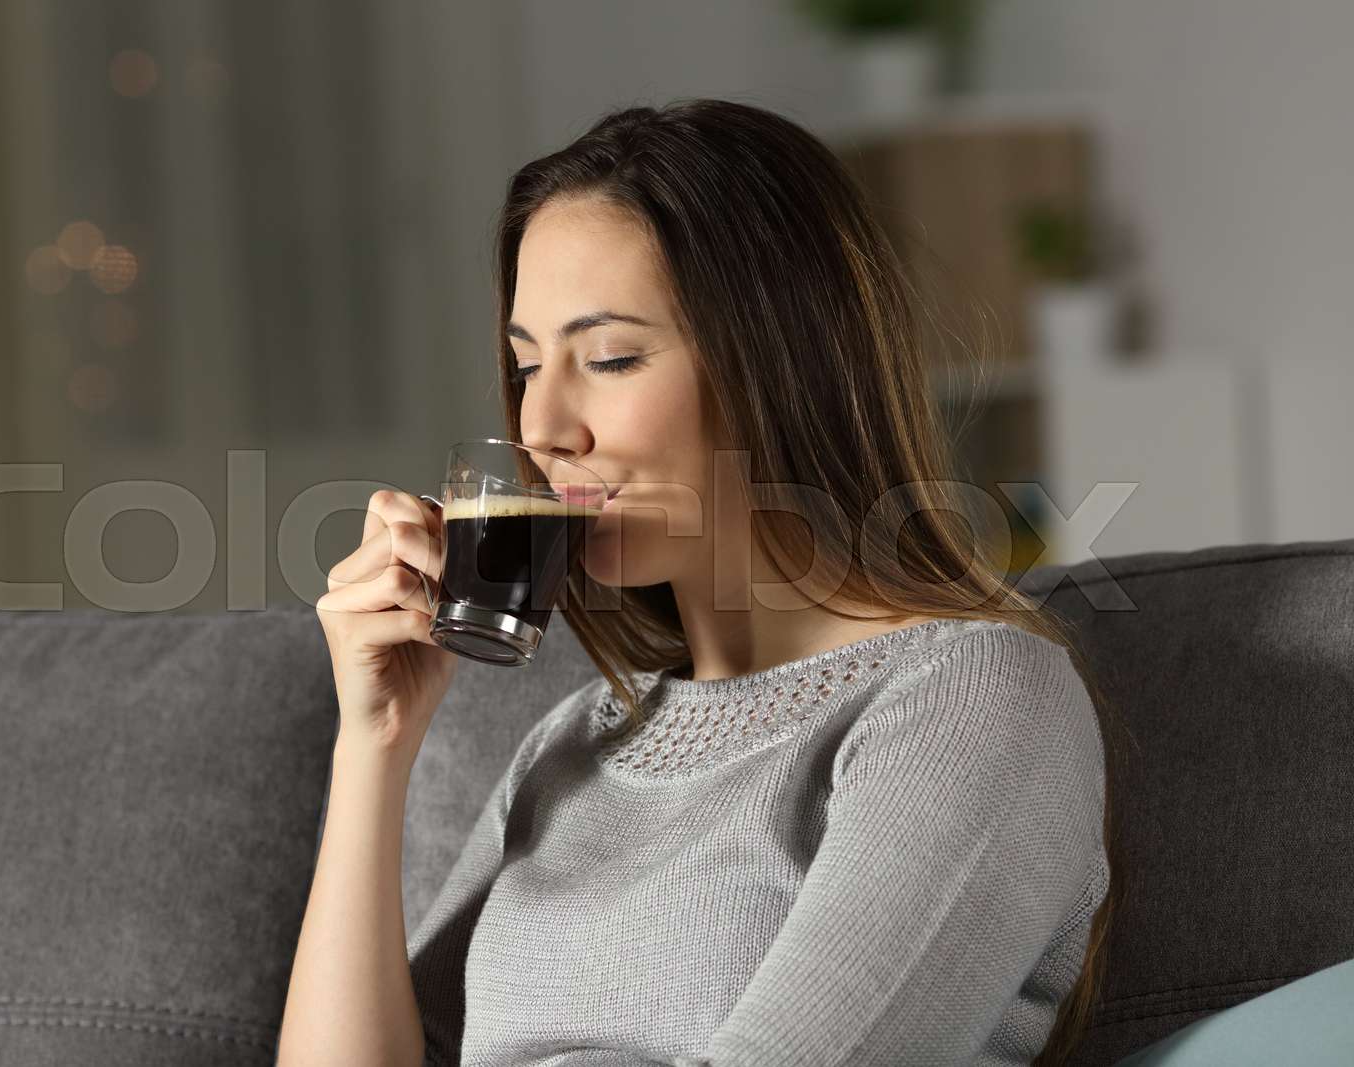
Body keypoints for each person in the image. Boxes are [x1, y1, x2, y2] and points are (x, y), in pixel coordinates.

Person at [277, 98, 1123, 1066]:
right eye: (523, 366)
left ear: (783, 362)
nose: (543, 425)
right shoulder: (576, 741)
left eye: (610, 357)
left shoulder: (968, 697)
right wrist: (372, 742)